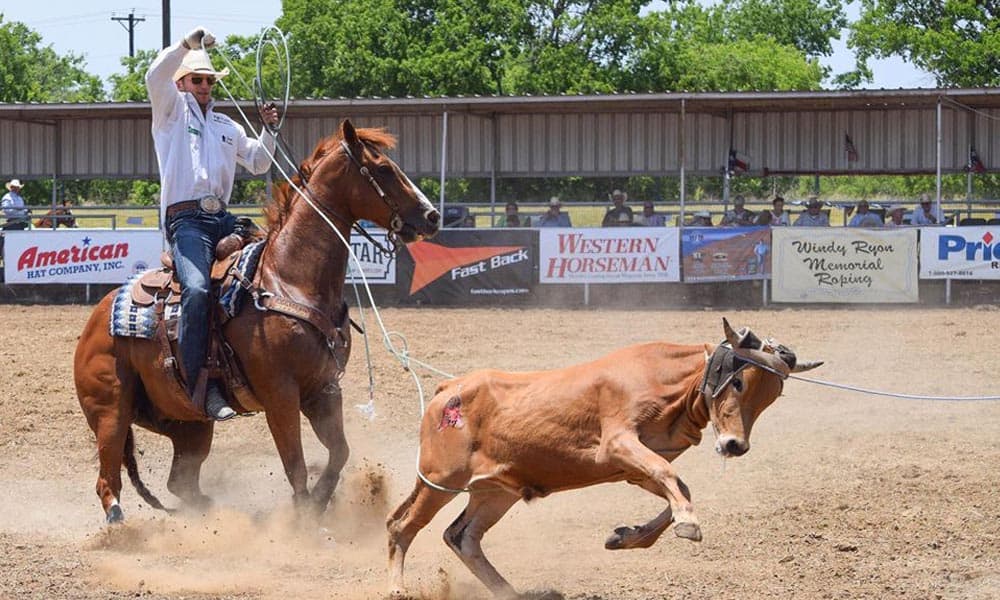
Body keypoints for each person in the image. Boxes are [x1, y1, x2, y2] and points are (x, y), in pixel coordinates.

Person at [147, 26, 279, 421]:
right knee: (198, 288)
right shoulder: (169, 111)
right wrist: (185, 46)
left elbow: (257, 161)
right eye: (196, 79)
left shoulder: (226, 125)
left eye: (207, 79)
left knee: (275, 261)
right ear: (182, 82)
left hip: (221, 217)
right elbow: (154, 76)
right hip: (185, 220)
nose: (204, 85)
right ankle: (196, 383)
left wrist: (269, 130)